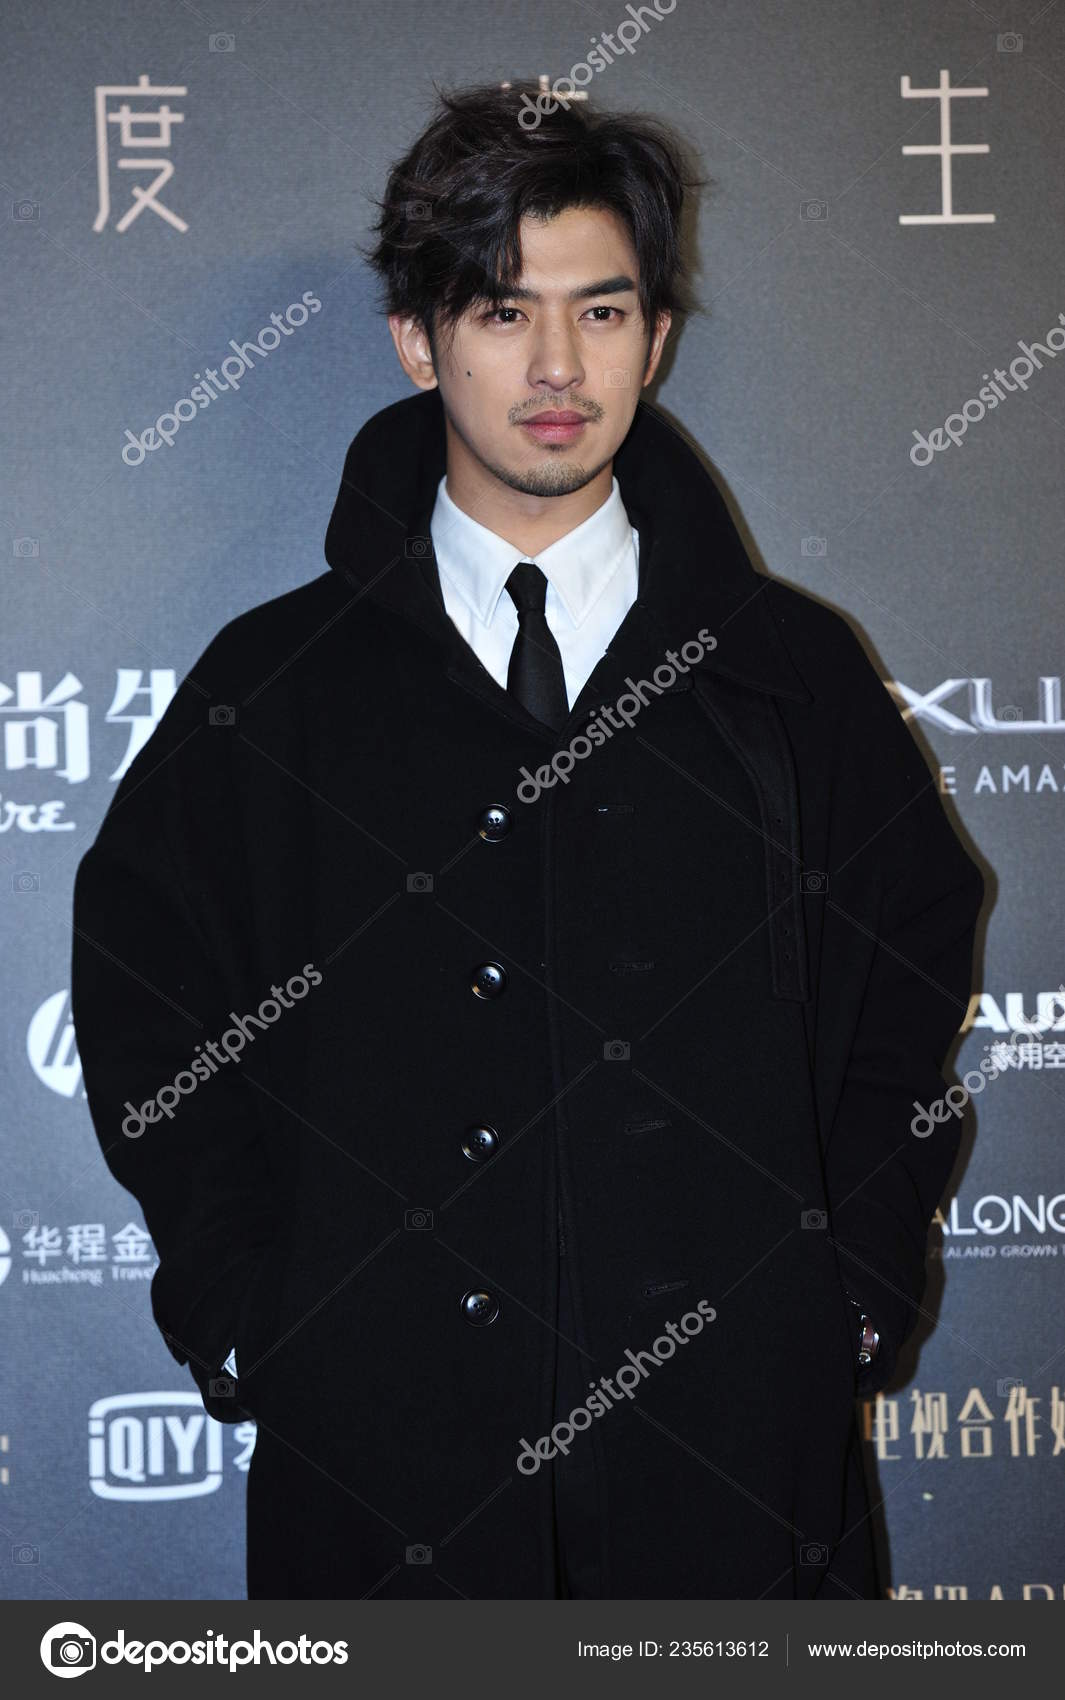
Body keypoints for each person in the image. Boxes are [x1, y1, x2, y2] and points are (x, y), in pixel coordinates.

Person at [71, 80, 984, 1601]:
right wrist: (248, 1306)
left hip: (736, 1466)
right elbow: (148, 997)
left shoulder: (788, 677)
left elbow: (901, 1000)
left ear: (656, 335)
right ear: (419, 340)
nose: (558, 368)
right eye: (502, 313)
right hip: (385, 1473)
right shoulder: (274, 691)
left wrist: (854, 1292)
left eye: (604, 311)